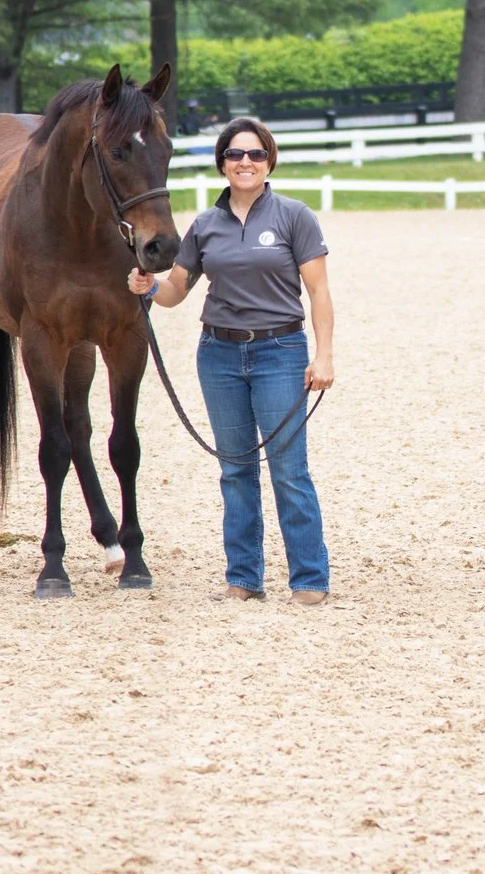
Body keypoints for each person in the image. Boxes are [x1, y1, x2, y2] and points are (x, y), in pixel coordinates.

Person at [128, 117, 337, 604]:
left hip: (280, 352)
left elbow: (319, 292)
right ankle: (243, 577)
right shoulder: (206, 225)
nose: (247, 163)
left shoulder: (293, 216)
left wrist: (323, 355)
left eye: (256, 154)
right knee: (235, 468)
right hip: (218, 355)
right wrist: (150, 287)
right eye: (237, 154)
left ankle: (309, 578)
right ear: (223, 162)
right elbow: (178, 289)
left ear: (269, 161)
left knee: (288, 468)